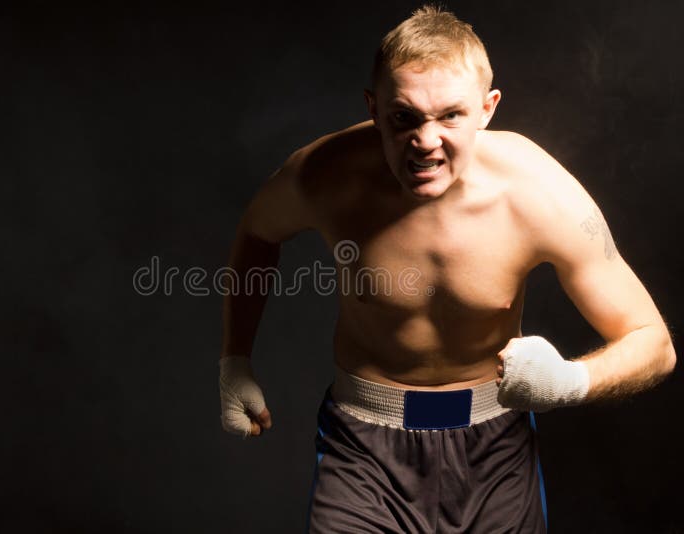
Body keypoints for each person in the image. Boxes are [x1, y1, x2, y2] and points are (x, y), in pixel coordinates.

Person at [218, 5, 676, 532]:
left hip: (495, 452)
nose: (426, 141)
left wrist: (571, 381)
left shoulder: (538, 193)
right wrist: (235, 361)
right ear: (374, 108)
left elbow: (654, 343)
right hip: (362, 450)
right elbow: (258, 232)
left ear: (487, 109)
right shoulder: (325, 175)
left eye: (451, 116)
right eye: (404, 117)